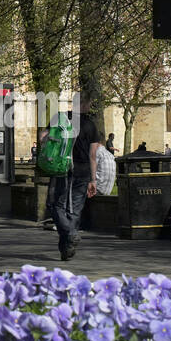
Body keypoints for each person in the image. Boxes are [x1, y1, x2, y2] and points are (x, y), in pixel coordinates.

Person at [53, 98, 103, 262]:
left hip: (62, 167)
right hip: (82, 171)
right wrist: (93, 179)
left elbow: (44, 137)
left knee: (57, 205)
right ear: (85, 105)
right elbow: (93, 156)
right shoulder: (91, 125)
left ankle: (69, 237)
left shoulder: (60, 119)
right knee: (74, 209)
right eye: (89, 104)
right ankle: (68, 244)